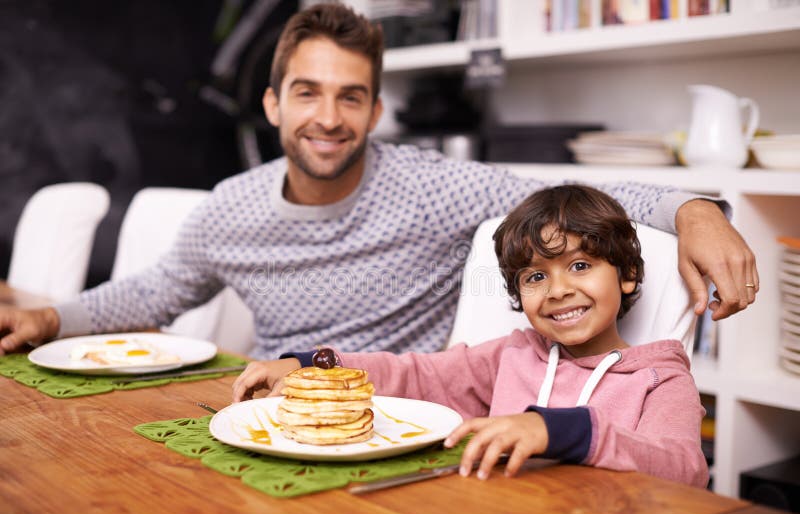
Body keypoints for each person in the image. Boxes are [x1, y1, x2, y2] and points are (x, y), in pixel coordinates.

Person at [0, 3, 757, 359]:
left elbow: (563, 196)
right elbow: (155, 292)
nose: (328, 118)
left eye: (350, 96)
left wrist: (694, 208)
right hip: (268, 414)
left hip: (403, 423)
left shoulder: (430, 188)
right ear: (273, 104)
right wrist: (50, 319)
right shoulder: (232, 209)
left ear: (374, 110)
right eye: (307, 93)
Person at [232, 184, 709, 487]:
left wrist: (562, 432)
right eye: (535, 277)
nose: (558, 290)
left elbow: (684, 468)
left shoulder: (659, 378)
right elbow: (416, 375)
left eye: (580, 266)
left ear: (627, 275)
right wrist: (313, 364)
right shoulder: (513, 356)